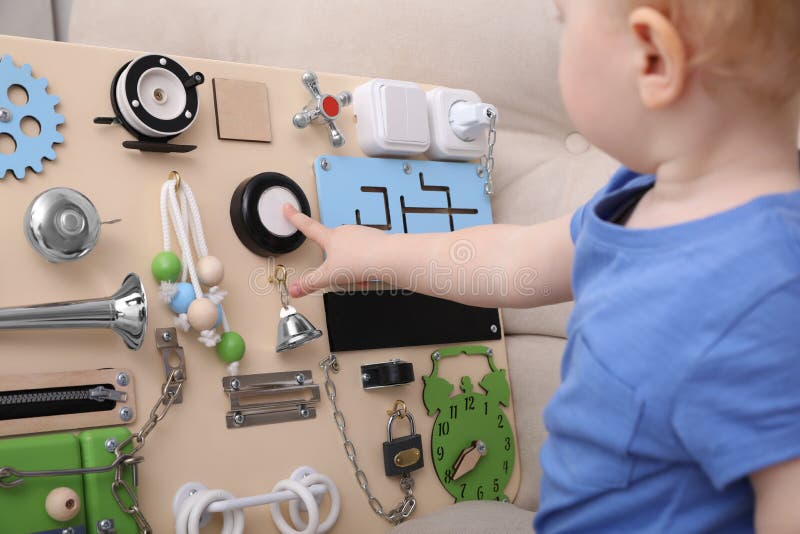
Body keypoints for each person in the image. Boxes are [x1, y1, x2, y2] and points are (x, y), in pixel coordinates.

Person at [285, 0, 800, 531]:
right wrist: (375, 254)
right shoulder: (639, 198)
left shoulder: (770, 287)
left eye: (564, 23)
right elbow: (511, 261)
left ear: (652, 61)